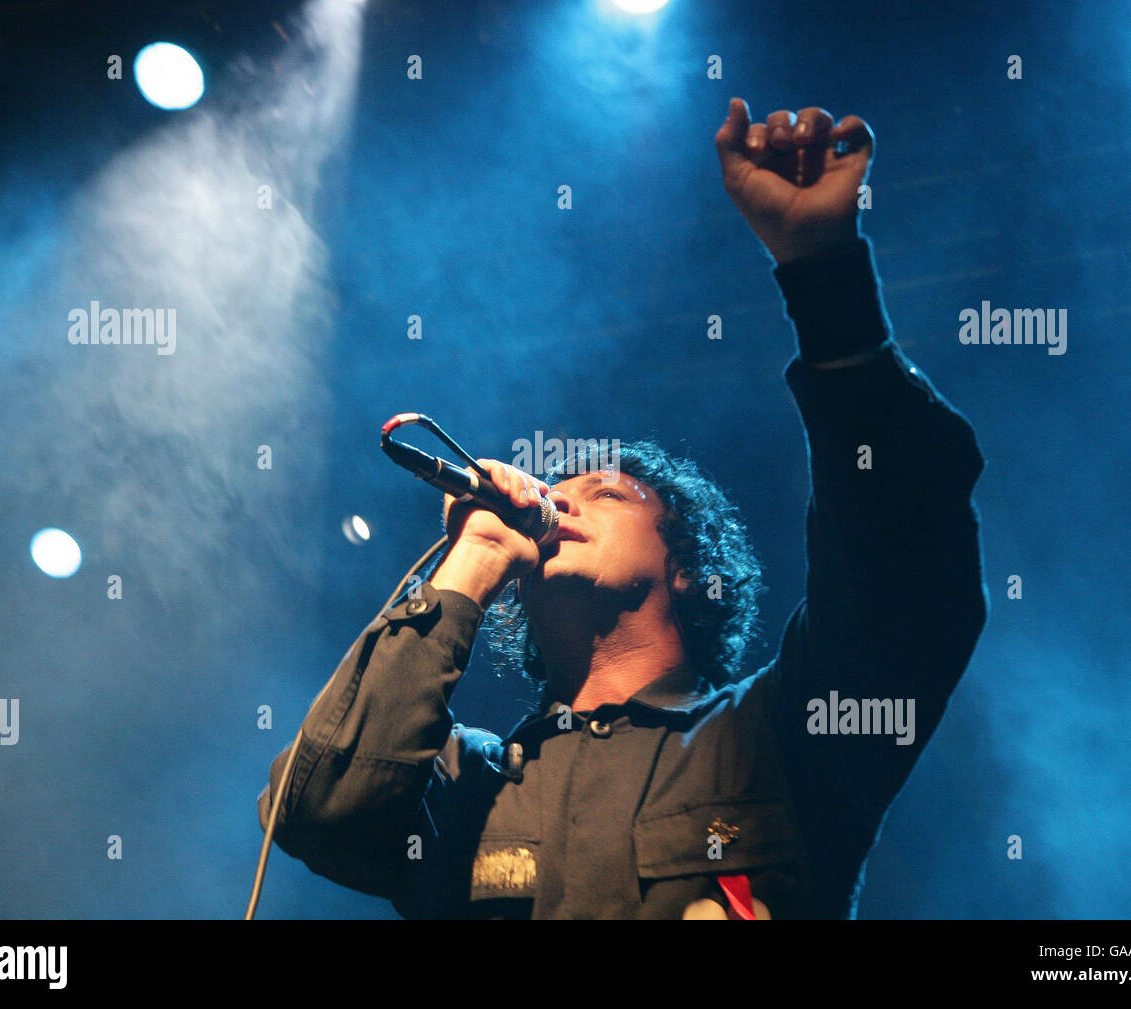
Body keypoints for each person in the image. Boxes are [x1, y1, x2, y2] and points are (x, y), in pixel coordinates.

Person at [258, 97, 988, 919]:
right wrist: (473, 562)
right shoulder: (463, 786)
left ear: (688, 564)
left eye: (603, 493)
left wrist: (824, 277)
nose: (556, 500)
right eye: (554, 489)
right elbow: (319, 809)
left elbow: (904, 557)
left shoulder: (783, 736)